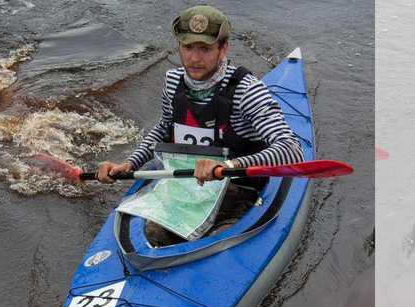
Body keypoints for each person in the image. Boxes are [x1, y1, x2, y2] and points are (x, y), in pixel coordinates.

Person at [97, 5, 304, 243]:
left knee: (217, 240)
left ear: (223, 48)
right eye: (187, 47)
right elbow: (164, 128)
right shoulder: (173, 81)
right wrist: (129, 163)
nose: (194, 58)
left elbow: (291, 149)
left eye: (205, 49)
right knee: (154, 234)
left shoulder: (247, 90)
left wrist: (228, 165)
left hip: (237, 190)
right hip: (185, 184)